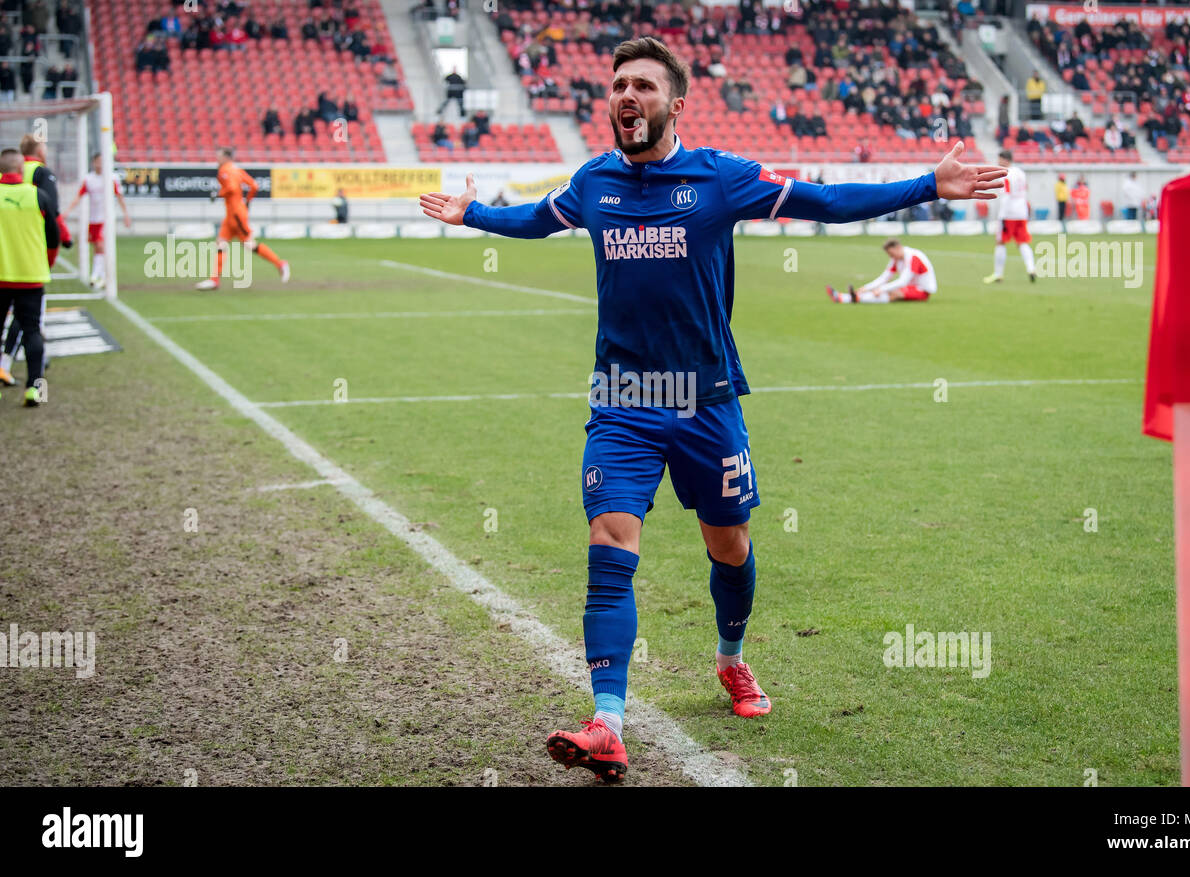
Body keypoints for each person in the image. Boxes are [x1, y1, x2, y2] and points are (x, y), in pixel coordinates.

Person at [418, 37, 1004, 784]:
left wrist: (926, 184)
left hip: (707, 400)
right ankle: (608, 720)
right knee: (610, 539)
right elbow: (539, 217)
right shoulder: (593, 181)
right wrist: (475, 215)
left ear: (675, 104)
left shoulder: (720, 177)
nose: (626, 96)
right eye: (618, 84)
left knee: (729, 547)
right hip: (624, 401)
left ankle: (730, 659)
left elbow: (823, 201)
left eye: (643, 87)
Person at [0, 135, 74, 388]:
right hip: (29, 266)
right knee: (30, 326)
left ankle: (2, 370)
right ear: (37, 150)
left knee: (1, 326)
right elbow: (54, 216)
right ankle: (33, 384)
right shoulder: (41, 176)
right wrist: (61, 243)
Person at [0, 149, 60, 407]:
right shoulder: (38, 196)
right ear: (21, 171)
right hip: (30, 276)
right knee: (32, 331)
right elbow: (53, 238)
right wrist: (47, 264)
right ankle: (34, 389)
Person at [194, 147, 289, 290]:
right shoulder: (237, 170)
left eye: (219, 156)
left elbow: (231, 188)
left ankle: (280, 264)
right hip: (233, 214)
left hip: (236, 215)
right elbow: (254, 186)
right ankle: (214, 280)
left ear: (226, 157)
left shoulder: (225, 170)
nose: (217, 159)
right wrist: (248, 202)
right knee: (220, 244)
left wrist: (218, 194)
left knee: (249, 244)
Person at [62, 153, 132, 289]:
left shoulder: (112, 178)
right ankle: (101, 275)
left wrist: (126, 215)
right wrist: (67, 212)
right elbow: (79, 196)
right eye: (97, 162)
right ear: (93, 163)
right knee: (97, 247)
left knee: (101, 245)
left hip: (105, 219)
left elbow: (120, 197)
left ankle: (97, 275)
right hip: (92, 218)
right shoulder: (89, 179)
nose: (99, 164)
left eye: (101, 161)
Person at [982, 149, 1036, 284]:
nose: (998, 162)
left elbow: (1006, 194)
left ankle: (998, 274)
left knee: (1000, 242)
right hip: (1021, 212)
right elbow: (1026, 189)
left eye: (1000, 159)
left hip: (1008, 213)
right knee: (1022, 242)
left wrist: (1002, 215)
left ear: (1006, 160)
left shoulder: (1006, 174)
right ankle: (1031, 268)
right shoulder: (1021, 173)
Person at [827, 238, 937, 303]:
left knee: (892, 292)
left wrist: (881, 289)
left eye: (891, 253)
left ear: (898, 248)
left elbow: (903, 281)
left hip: (922, 291)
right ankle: (849, 297)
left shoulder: (913, 257)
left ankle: (848, 299)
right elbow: (884, 278)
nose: (891, 256)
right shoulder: (896, 259)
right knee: (886, 290)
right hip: (909, 287)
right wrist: (866, 288)